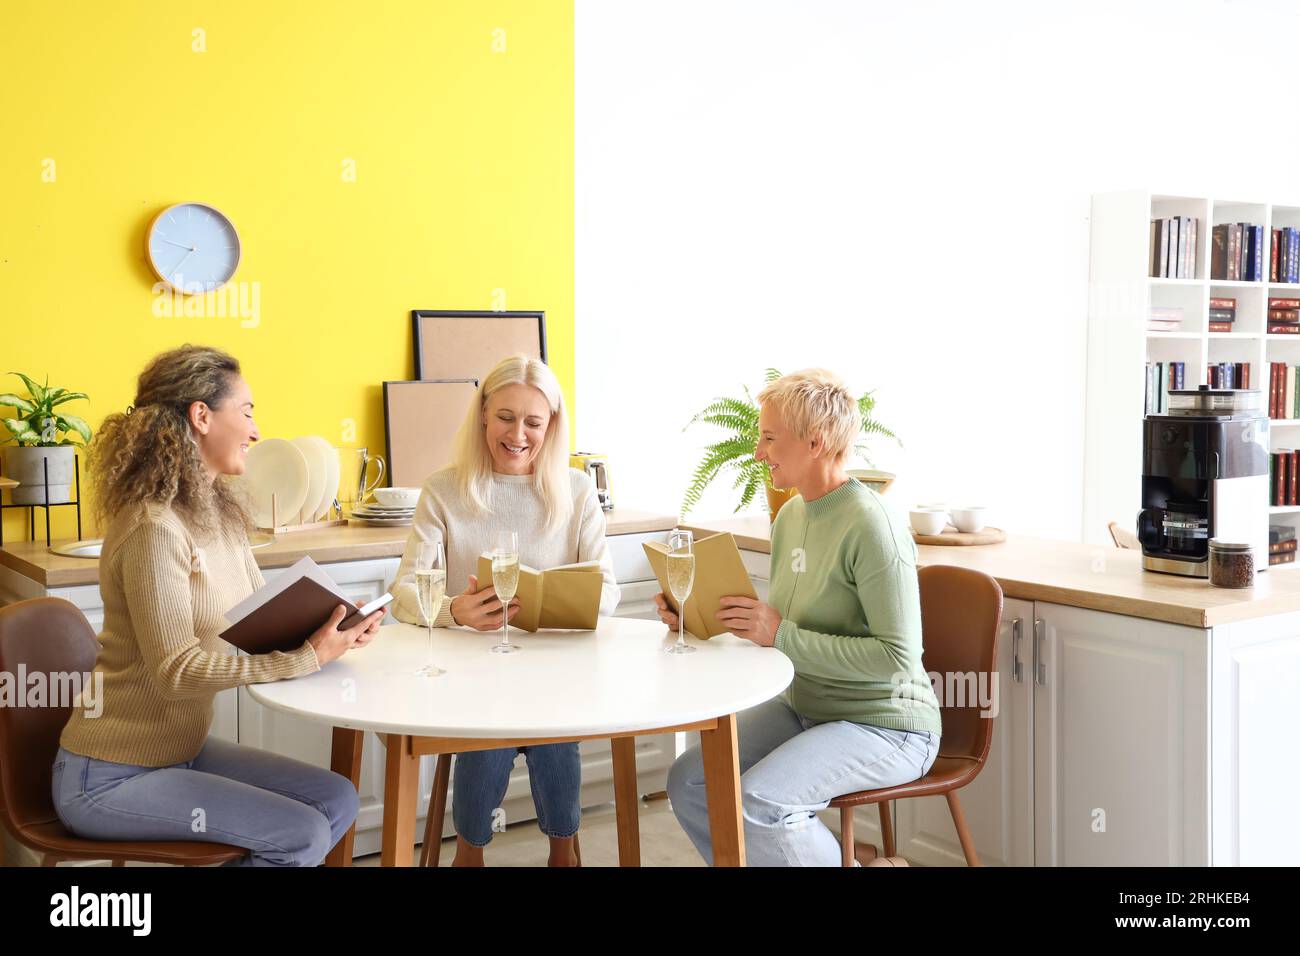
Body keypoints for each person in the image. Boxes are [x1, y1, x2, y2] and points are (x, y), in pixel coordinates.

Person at [52, 345, 382, 866]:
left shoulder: (219, 515)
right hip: (108, 775)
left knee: (338, 799)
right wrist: (307, 658)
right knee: (301, 834)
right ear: (201, 416)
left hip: (179, 751)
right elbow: (173, 673)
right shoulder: (154, 529)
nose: (255, 431)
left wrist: (334, 627)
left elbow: (257, 619)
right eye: (247, 412)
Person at [658, 368, 941, 866]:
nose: (758, 452)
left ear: (816, 441)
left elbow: (897, 659)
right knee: (690, 782)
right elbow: (784, 625)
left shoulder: (874, 525)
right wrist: (698, 614)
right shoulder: (790, 516)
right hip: (805, 706)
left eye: (769, 438)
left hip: (886, 724)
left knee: (761, 803)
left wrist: (779, 633)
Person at [390, 353, 619, 866]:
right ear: (484, 418)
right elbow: (404, 589)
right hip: (472, 671)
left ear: (551, 427)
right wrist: (454, 610)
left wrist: (557, 602)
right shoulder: (443, 490)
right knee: (487, 724)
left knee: (553, 722)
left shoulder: (578, 492)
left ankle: (564, 850)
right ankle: (470, 851)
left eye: (533, 422)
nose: (518, 434)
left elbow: (608, 592)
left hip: (553, 669)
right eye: (506, 418)